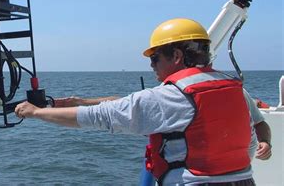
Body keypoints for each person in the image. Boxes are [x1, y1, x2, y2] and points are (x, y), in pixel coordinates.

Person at [15, 18, 272, 185]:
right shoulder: (232, 89)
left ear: (178, 55)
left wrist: (36, 112)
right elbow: (133, 105)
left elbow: (105, 116)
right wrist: (81, 100)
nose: (151, 65)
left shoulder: (172, 96)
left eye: (155, 57)